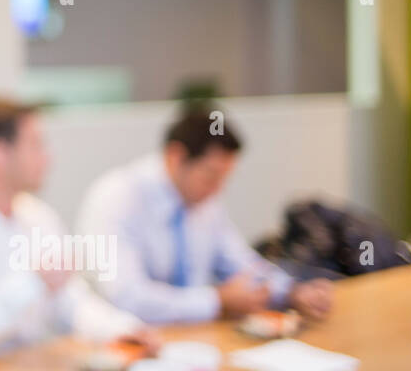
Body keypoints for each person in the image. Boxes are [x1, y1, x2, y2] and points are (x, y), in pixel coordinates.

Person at [0, 98, 157, 361]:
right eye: (35, 145)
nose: (47, 157)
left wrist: (121, 328)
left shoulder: (38, 217)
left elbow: (68, 299)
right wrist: (31, 284)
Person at [75, 104, 334, 326]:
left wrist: (291, 291)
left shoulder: (205, 202)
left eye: (224, 179)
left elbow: (239, 262)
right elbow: (127, 297)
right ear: (176, 157)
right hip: (124, 346)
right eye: (210, 176)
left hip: (194, 339)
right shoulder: (116, 197)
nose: (217, 189)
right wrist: (217, 299)